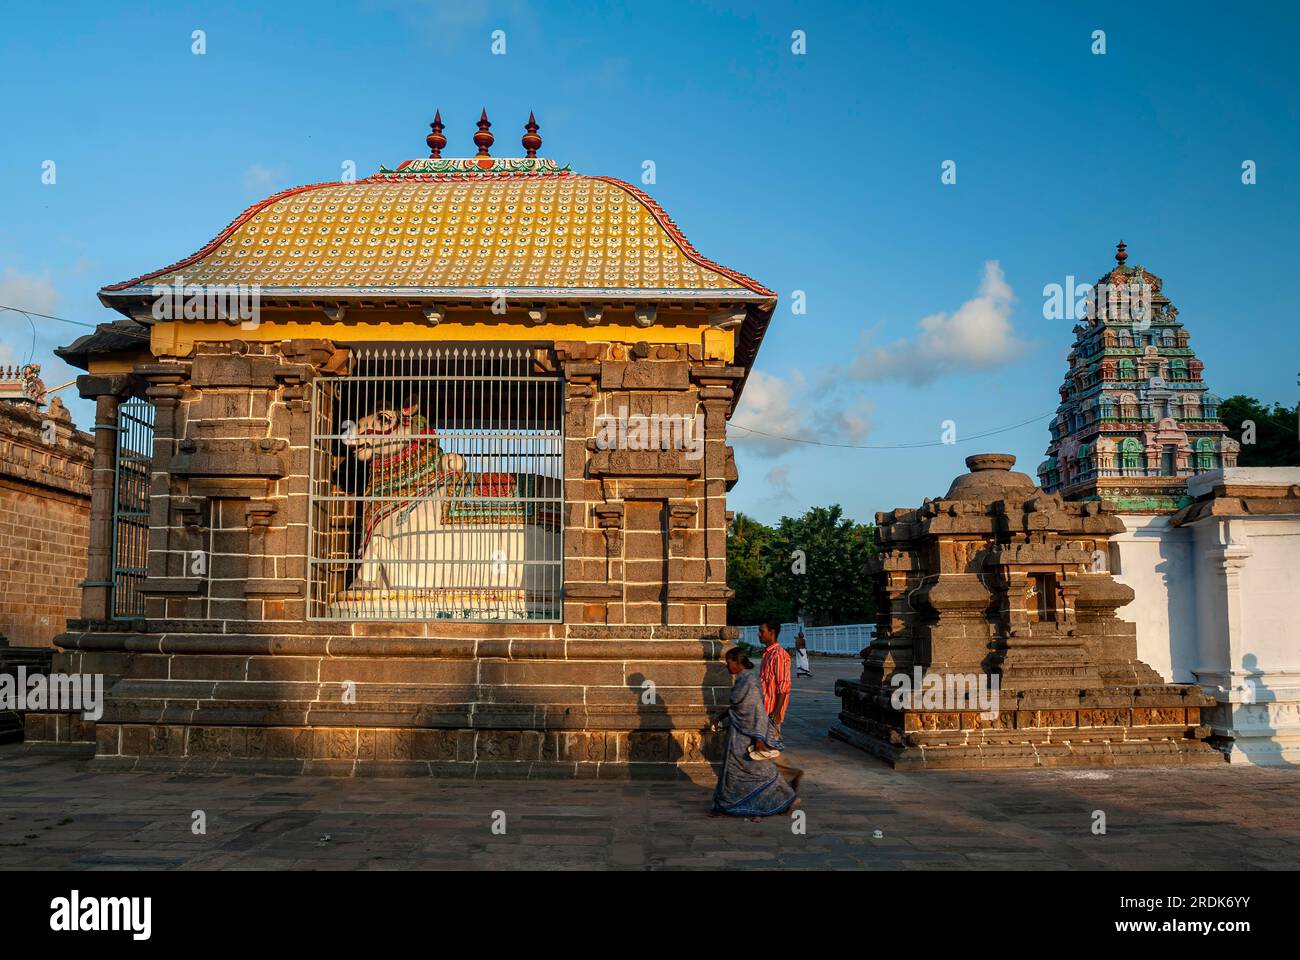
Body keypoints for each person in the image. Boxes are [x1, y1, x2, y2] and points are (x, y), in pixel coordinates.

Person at [709, 647, 798, 819]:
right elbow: (737, 707)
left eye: (729, 663)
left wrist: (758, 738)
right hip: (737, 734)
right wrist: (723, 715)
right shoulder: (742, 679)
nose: (727, 667)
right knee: (738, 773)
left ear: (737, 662)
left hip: (747, 736)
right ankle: (723, 805)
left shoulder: (749, 681)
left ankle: (786, 797)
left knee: (758, 772)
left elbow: (757, 710)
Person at [758, 621, 804, 792]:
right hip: (764, 709)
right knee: (766, 749)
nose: (759, 634)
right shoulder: (767, 654)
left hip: (771, 711)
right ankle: (782, 778)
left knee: (769, 749)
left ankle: (790, 775)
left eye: (762, 631)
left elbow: (783, 687)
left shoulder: (779, 655)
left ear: (772, 632)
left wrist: (776, 712)